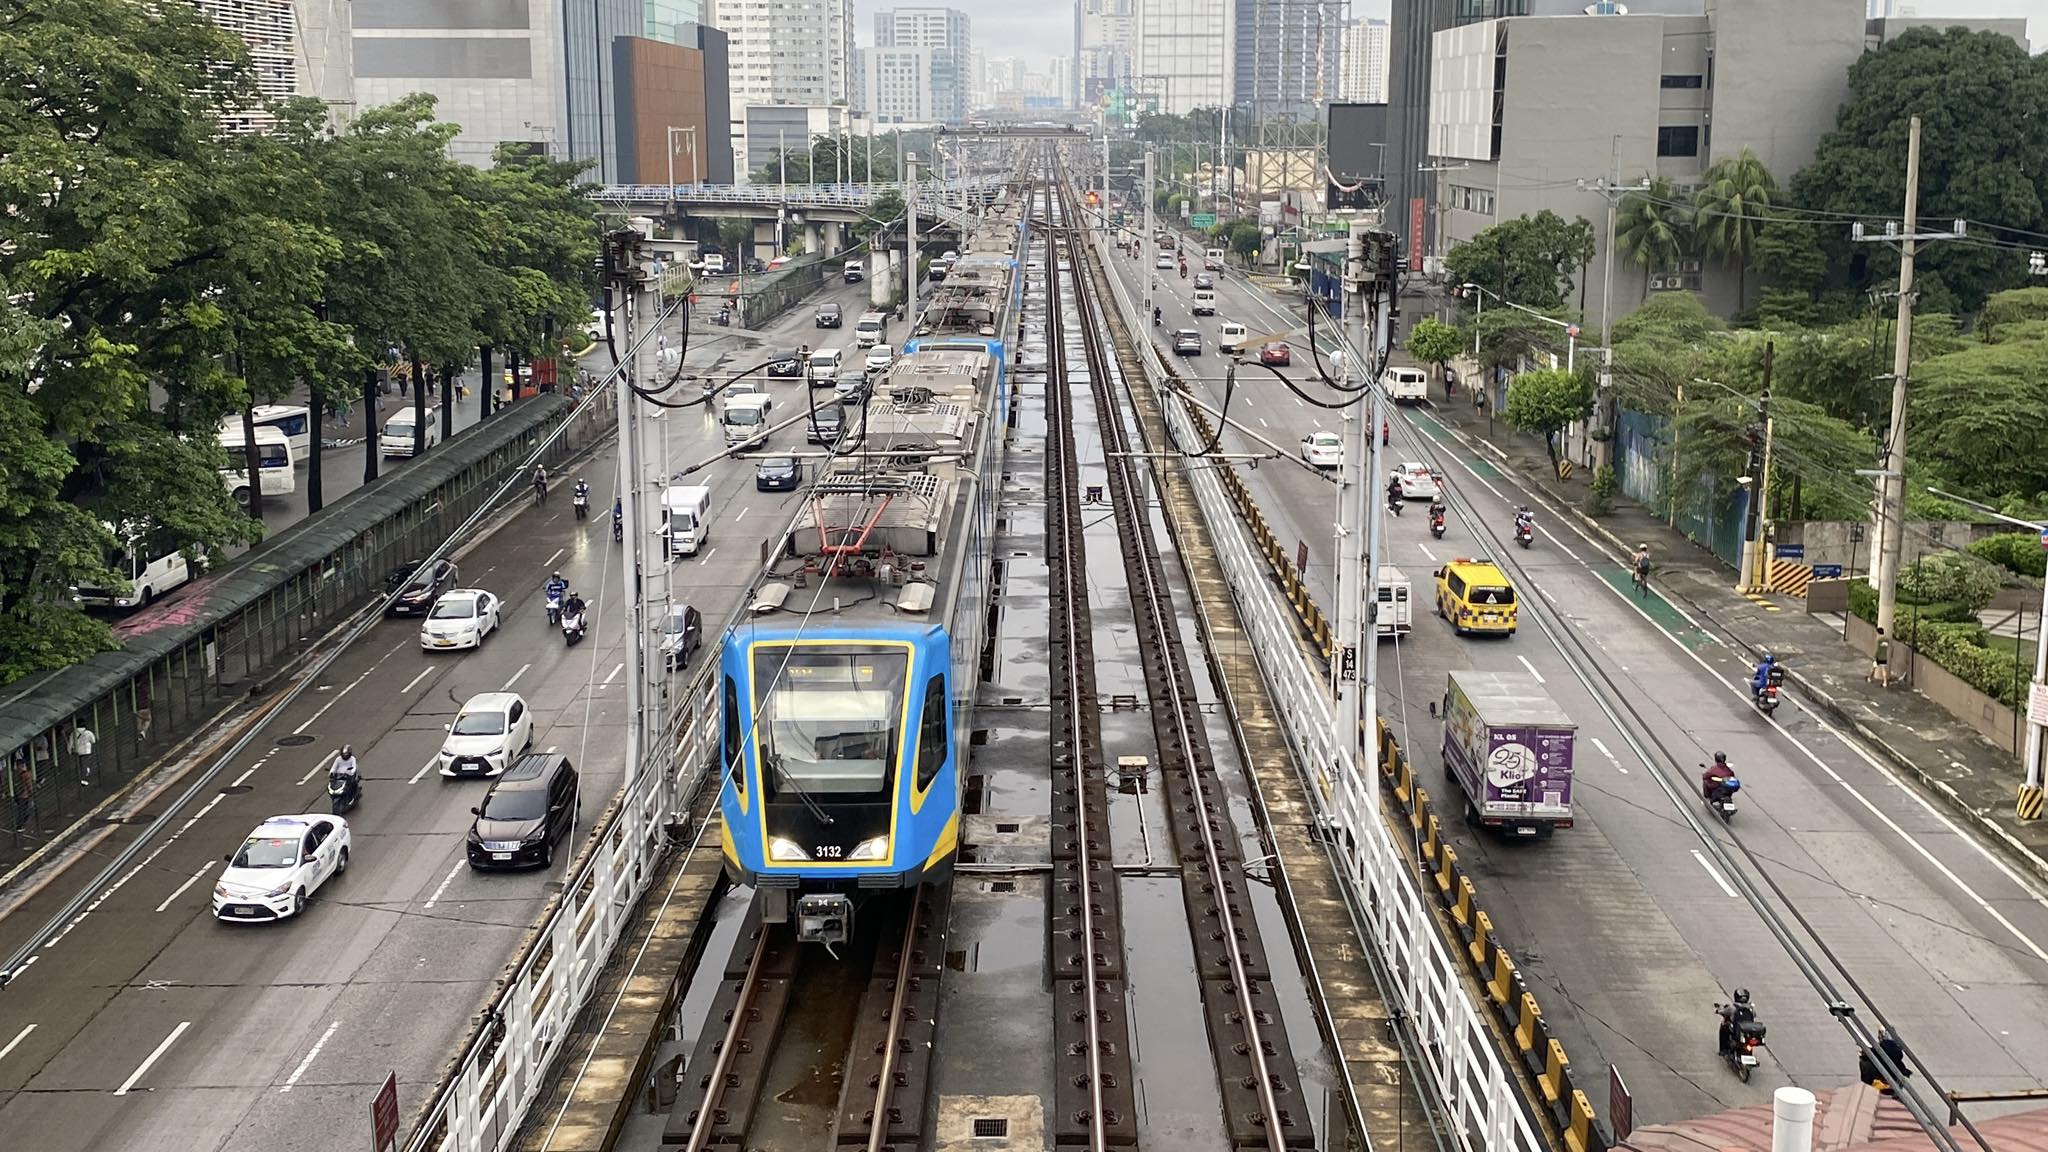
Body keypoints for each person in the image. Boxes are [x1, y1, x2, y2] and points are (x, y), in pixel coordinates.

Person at [1717, 989, 1756, 1056]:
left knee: (1724, 1026)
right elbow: (1754, 1015)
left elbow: (1722, 1011)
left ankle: (1723, 1050)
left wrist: (1718, 1010)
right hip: (1748, 1032)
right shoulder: (1751, 1008)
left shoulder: (1732, 1008)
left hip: (1736, 1032)